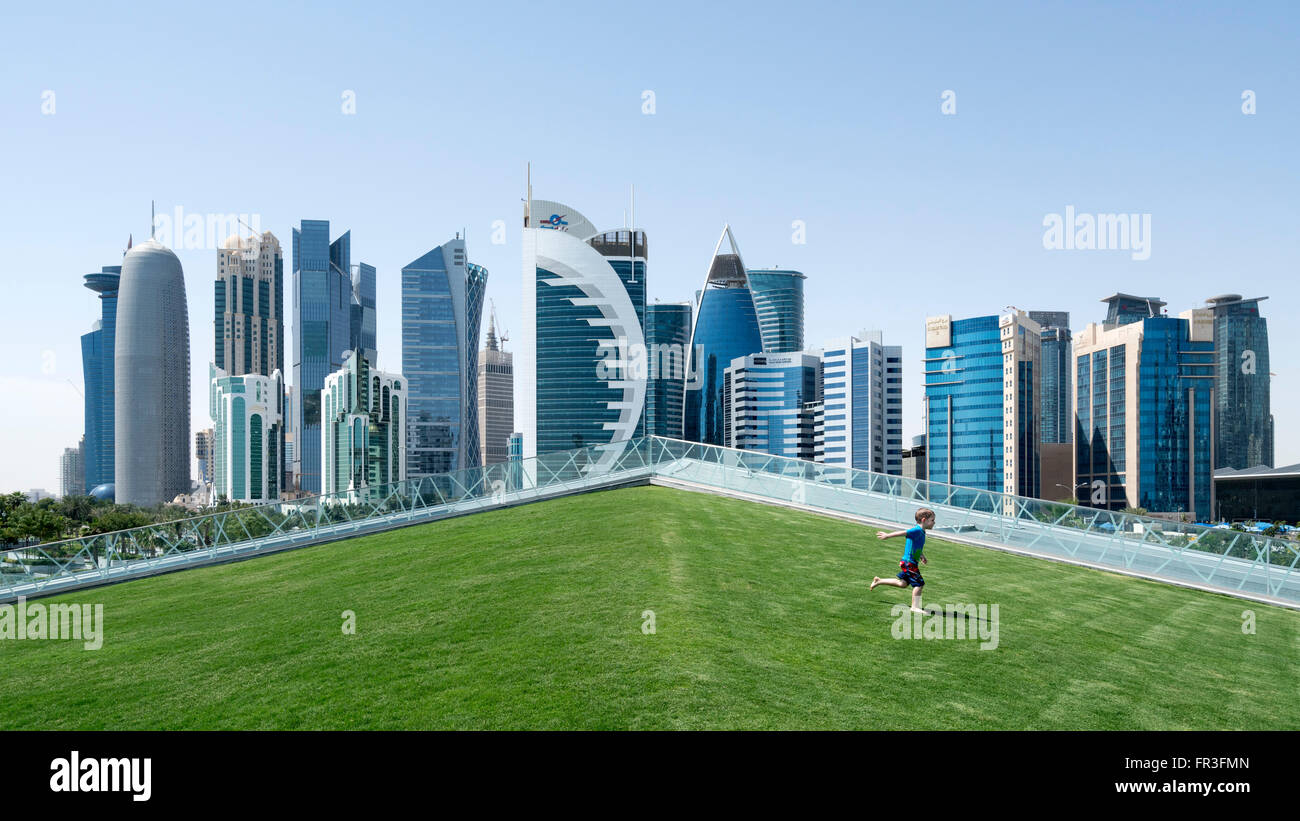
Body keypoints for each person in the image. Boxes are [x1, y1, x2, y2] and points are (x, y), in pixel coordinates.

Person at [870, 508, 936, 613]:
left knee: (903, 584)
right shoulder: (916, 530)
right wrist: (887, 535)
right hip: (909, 563)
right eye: (932, 520)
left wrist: (921, 556)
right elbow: (903, 532)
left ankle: (879, 581)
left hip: (910, 562)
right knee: (919, 584)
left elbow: (916, 546)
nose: (934, 523)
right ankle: (914, 607)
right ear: (924, 520)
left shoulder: (922, 532)